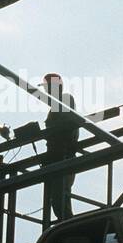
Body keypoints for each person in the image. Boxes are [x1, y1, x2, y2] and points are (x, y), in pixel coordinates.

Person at [42, 72, 79, 222]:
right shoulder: (54, 107)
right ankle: (67, 225)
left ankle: (70, 226)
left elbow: (64, 125)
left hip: (64, 157)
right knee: (56, 199)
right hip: (56, 158)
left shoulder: (65, 100)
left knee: (59, 198)